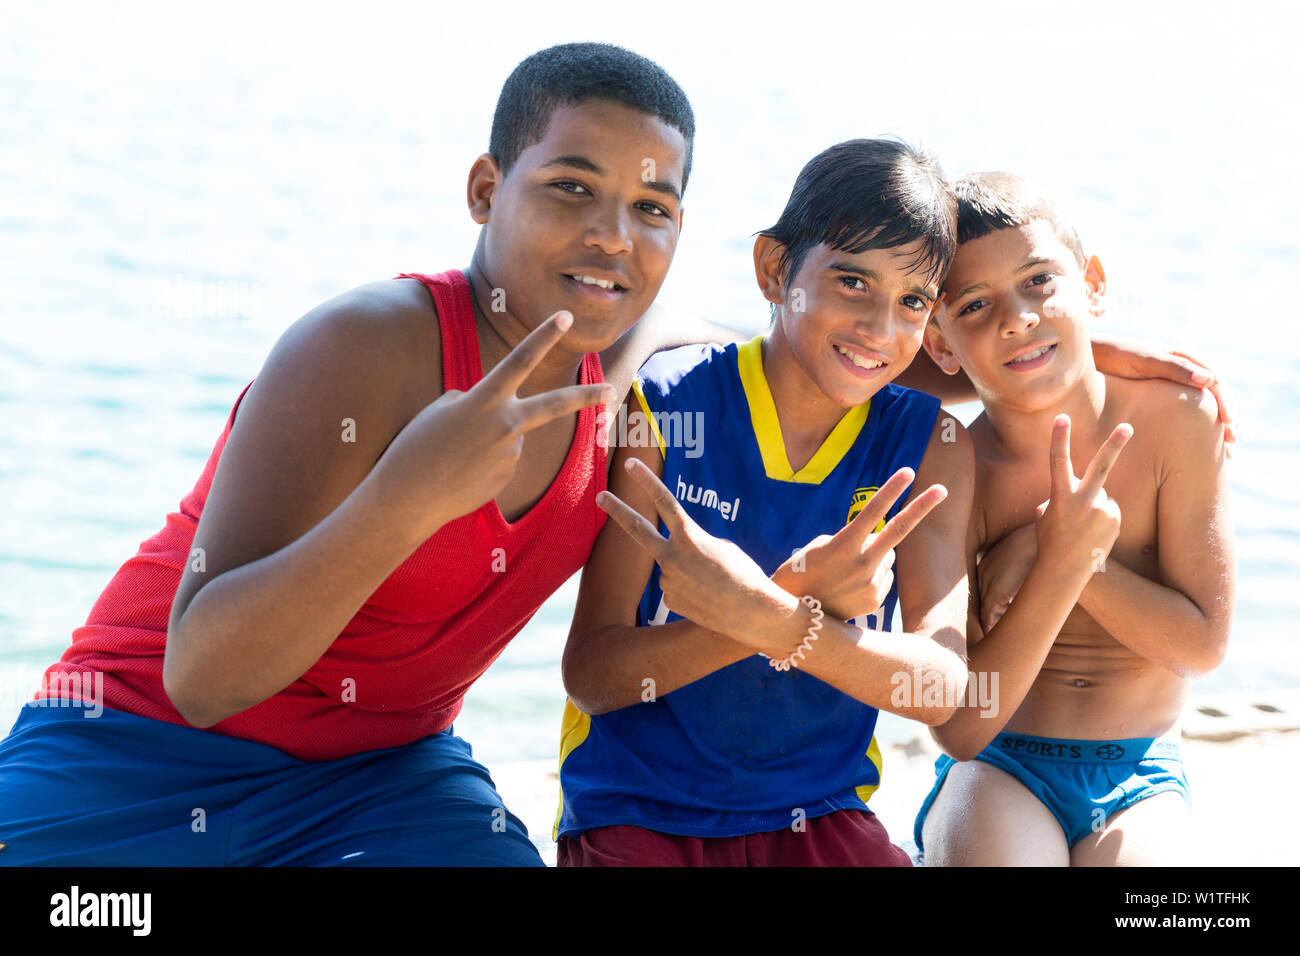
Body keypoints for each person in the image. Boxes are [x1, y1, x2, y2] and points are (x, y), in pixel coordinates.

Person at [0, 39, 1234, 865]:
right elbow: (207, 674)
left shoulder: (635, 372)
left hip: (383, 776)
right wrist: (403, 493)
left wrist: (1092, 348)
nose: (611, 234)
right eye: (571, 189)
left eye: (650, 207)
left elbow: (877, 341)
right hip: (137, 748)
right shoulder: (368, 343)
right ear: (487, 185)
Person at [553, 139, 976, 866]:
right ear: (775, 270)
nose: (880, 328)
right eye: (851, 282)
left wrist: (775, 616)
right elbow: (593, 675)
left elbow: (940, 686)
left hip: (819, 812)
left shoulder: (930, 442)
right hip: (638, 808)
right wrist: (792, 605)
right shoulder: (669, 405)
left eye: (912, 301)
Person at [912, 172, 1234, 866]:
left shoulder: (1179, 420)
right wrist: (1061, 556)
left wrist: (1070, 557)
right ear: (939, 346)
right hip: (999, 766)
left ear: (1092, 283)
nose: (1018, 317)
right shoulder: (954, 463)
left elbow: (1202, 646)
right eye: (974, 305)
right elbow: (962, 727)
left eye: (1038, 281)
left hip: (1140, 773)